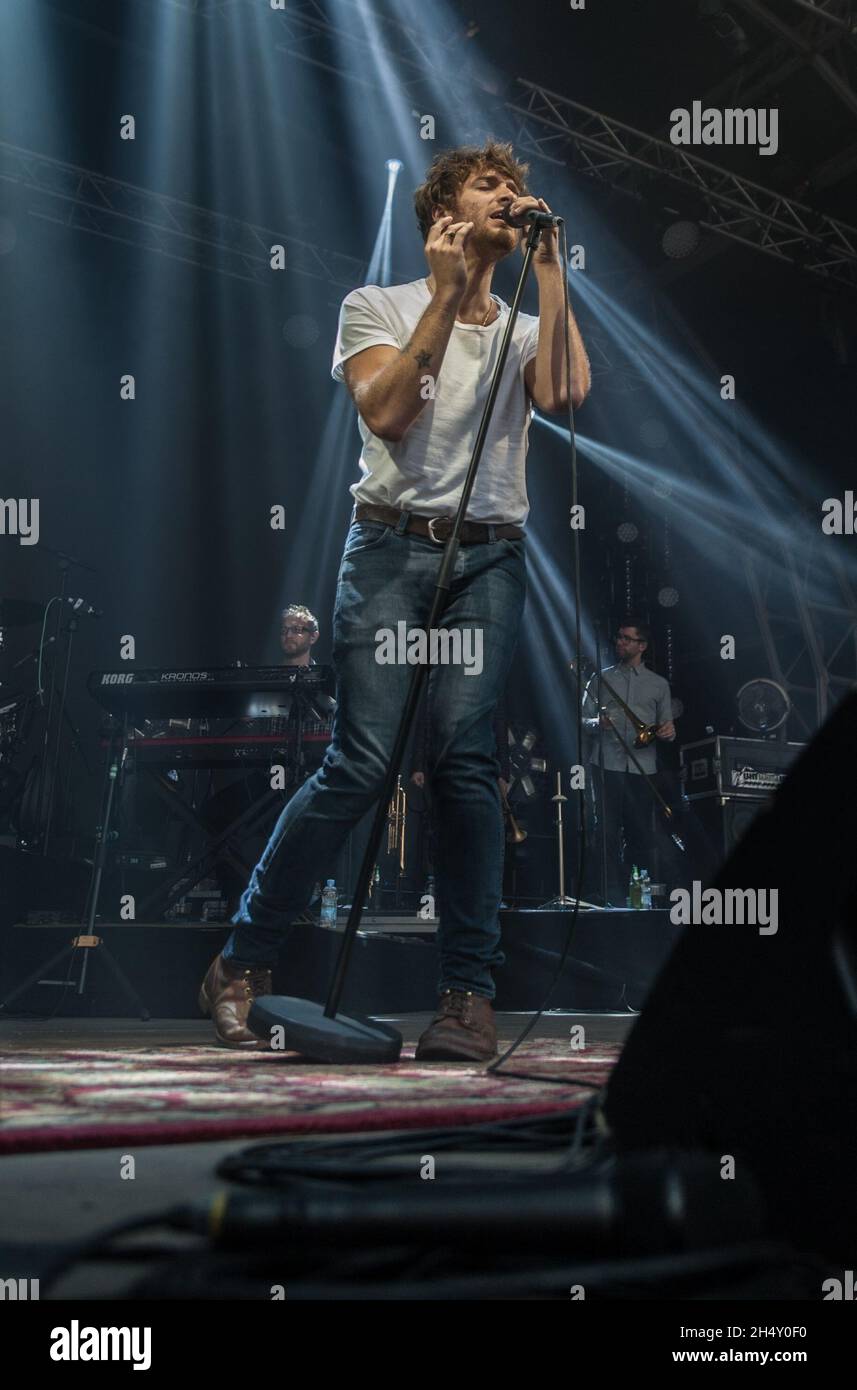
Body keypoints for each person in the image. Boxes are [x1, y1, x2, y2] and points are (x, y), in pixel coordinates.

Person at [199, 139, 590, 1058]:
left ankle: (466, 997)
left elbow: (566, 389)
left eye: (519, 186)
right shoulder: (377, 304)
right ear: (444, 213)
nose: (514, 194)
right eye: (493, 185)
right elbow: (387, 412)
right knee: (362, 766)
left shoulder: (524, 328)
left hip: (489, 560)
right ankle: (243, 960)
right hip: (389, 552)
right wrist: (451, 295)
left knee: (464, 771)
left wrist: (549, 269)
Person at [582, 620, 675, 906]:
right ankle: (608, 893)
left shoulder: (659, 684)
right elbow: (583, 720)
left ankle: (639, 897)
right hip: (606, 763)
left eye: (626, 639)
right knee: (606, 831)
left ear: (641, 646)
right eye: (619, 638)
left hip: (642, 767)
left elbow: (668, 728)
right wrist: (599, 722)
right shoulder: (600, 679)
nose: (619, 642)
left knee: (640, 832)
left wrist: (668, 732)